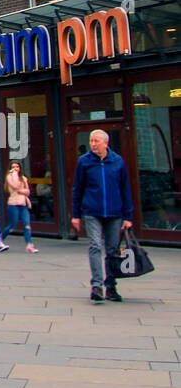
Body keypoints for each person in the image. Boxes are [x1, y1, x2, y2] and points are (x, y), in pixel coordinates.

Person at [71, 128, 134, 303]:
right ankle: (97, 285)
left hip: (114, 213)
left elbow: (125, 189)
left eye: (96, 141)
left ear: (106, 143)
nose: (93, 144)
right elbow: (78, 189)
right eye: (91, 141)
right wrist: (76, 215)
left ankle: (111, 286)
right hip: (92, 211)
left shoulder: (117, 162)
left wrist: (128, 217)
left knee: (113, 250)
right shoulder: (84, 162)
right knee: (95, 246)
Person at [1, 160, 38, 252]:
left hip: (23, 204)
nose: (15, 169)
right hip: (13, 204)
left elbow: (27, 191)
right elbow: (15, 186)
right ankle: (0, 240)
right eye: (13, 167)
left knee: (27, 225)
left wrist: (21, 191)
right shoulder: (9, 177)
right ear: (10, 169)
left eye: (17, 167)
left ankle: (29, 244)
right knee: (12, 226)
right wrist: (14, 174)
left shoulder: (24, 178)